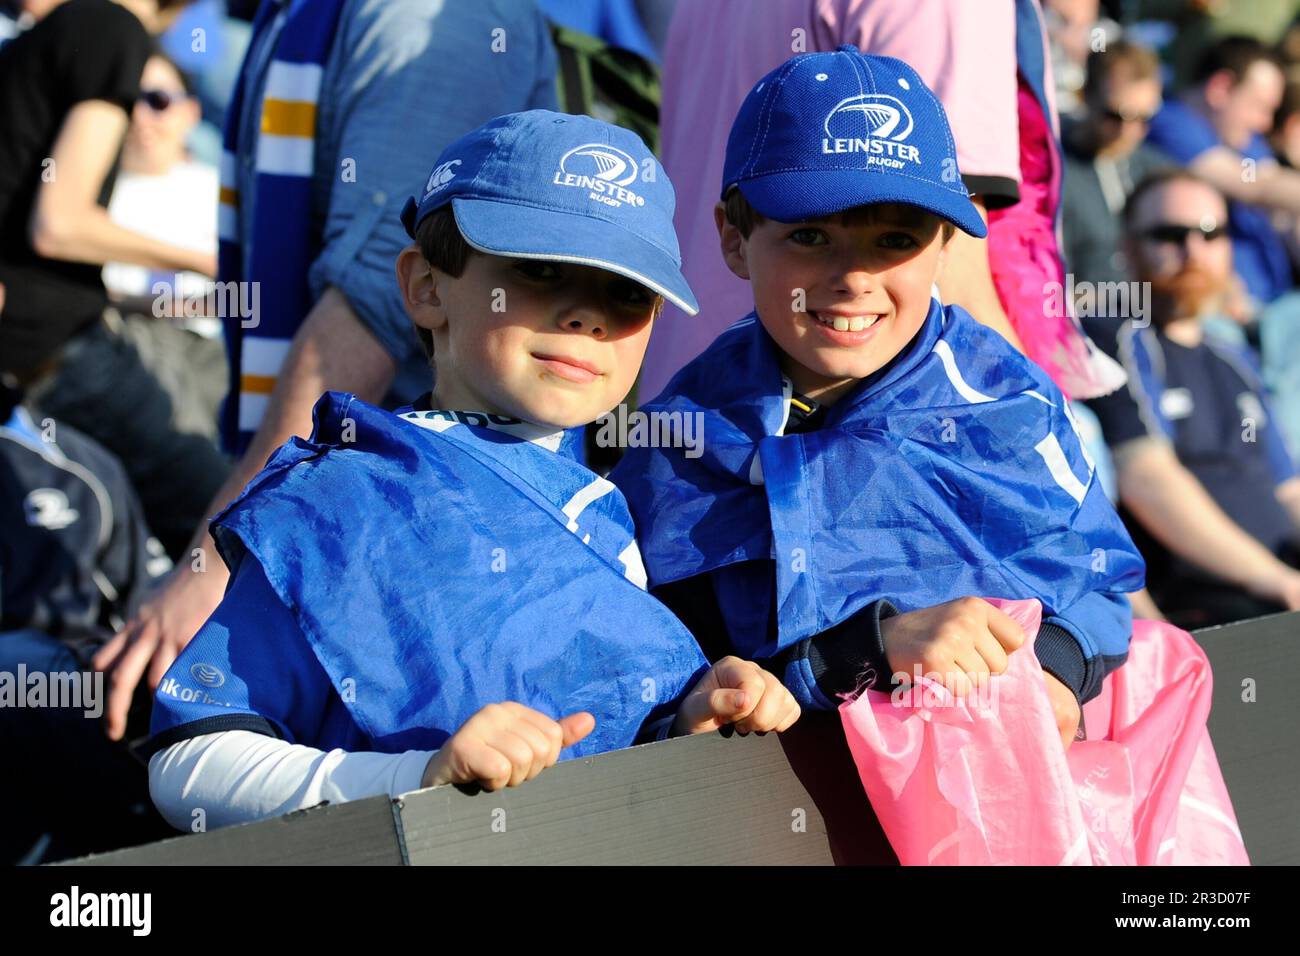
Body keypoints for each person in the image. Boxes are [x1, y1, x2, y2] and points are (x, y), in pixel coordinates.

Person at [145, 112, 800, 830]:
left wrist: (694, 722)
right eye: (541, 270)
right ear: (426, 286)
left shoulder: (637, 499)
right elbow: (187, 762)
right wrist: (416, 777)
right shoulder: (341, 502)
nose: (586, 314)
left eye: (627, 292)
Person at [613, 49, 1147, 750]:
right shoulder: (676, 438)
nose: (854, 278)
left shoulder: (1006, 401)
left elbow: (1099, 586)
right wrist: (866, 651)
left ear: (945, 247)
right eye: (810, 236)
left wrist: (1055, 671)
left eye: (895, 239)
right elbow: (665, 674)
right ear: (734, 240)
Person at [97, 0, 561, 744]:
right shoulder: (303, 13)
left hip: (418, 534)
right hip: (346, 510)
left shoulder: (428, 14)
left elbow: (377, 298)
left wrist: (220, 553)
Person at [0, 0, 226, 559]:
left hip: (38, 349)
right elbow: (59, 225)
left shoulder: (41, 41)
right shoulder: (109, 24)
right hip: (54, 349)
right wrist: (206, 262)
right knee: (225, 533)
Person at [1084, 169, 1300, 628]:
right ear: (1127, 247)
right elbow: (1148, 479)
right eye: (1169, 234)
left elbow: (1288, 487)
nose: (1192, 251)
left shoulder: (1231, 356)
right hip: (1211, 600)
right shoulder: (1115, 334)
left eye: (1210, 233)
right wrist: (1278, 580)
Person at [1145, 36, 1294, 308]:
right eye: (1260, 107)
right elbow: (1255, 186)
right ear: (1220, 88)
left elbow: (1278, 196)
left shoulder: (1245, 141)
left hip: (1277, 306)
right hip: (1226, 313)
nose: (1266, 123)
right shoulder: (1173, 124)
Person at [1061, 40, 1169, 289]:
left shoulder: (1155, 170)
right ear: (1084, 95)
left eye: (1144, 118)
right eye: (1115, 115)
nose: (1127, 131)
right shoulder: (1053, 169)